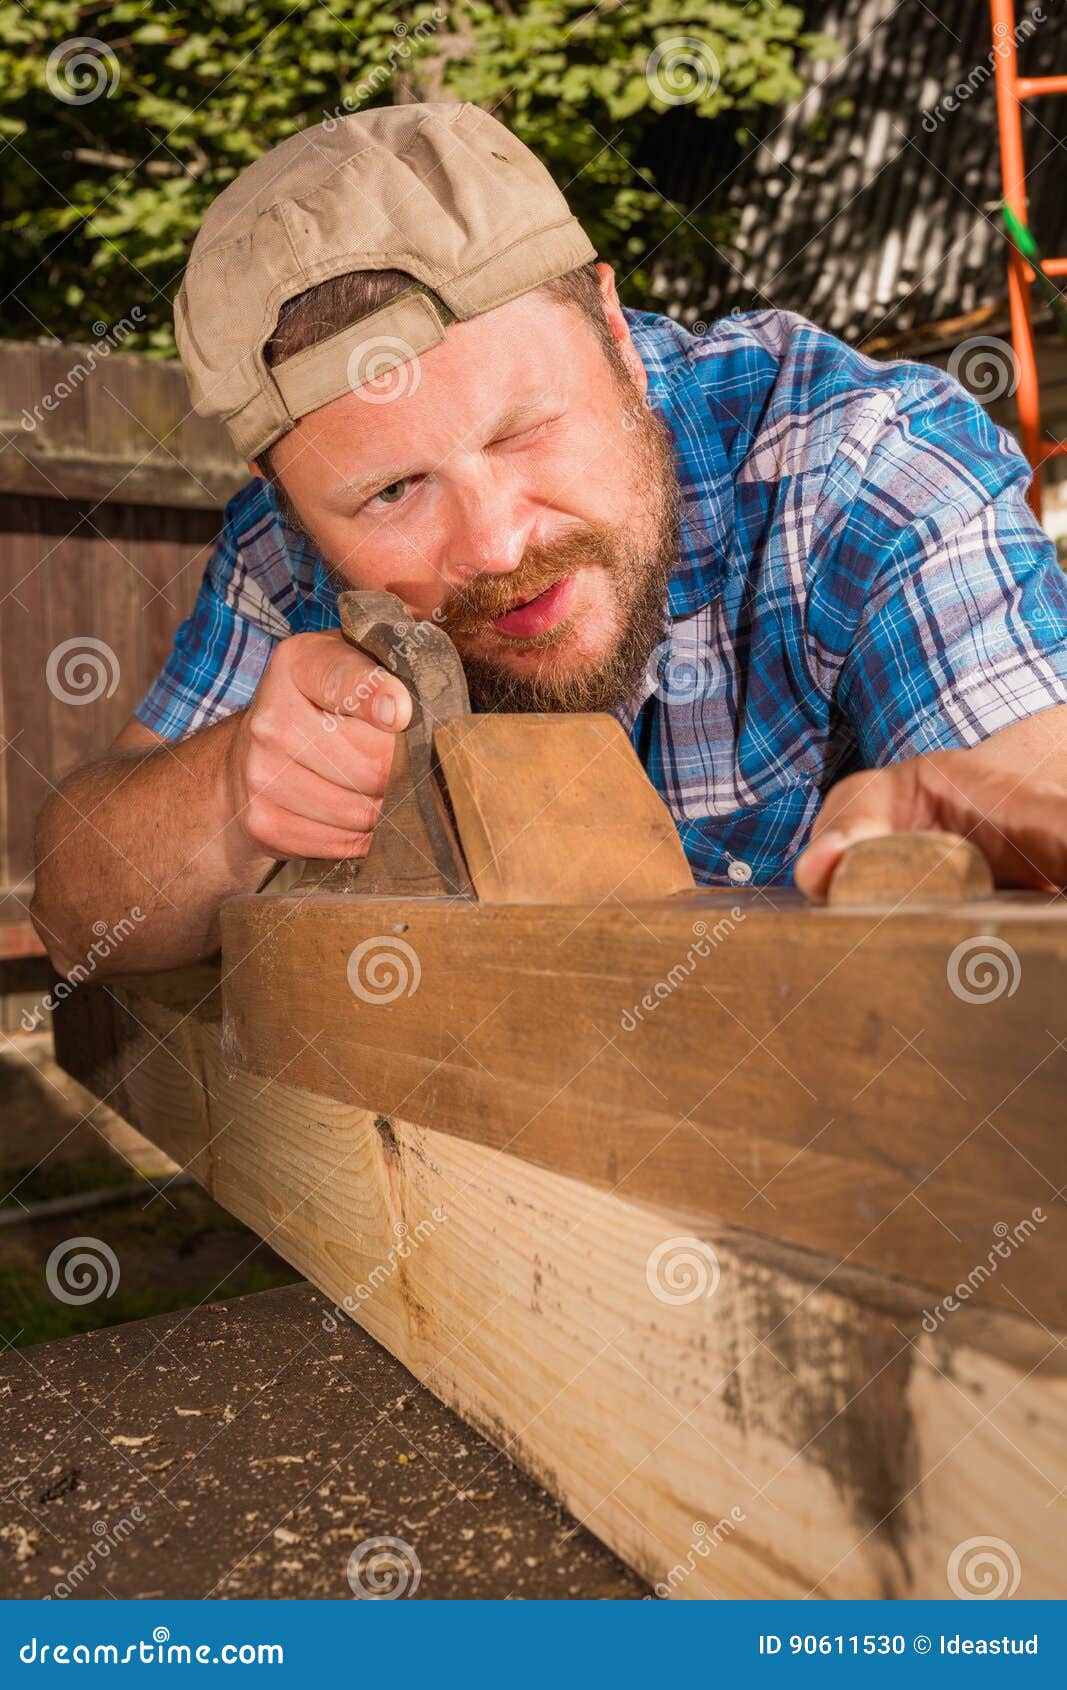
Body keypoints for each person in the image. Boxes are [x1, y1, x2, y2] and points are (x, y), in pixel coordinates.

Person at [31, 103, 1067, 976]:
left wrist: (1000, 820)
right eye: (392, 493)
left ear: (612, 326)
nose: (490, 544)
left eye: (522, 430)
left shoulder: (852, 456)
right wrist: (229, 797)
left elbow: (1029, 777)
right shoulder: (280, 553)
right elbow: (77, 911)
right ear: (282, 494)